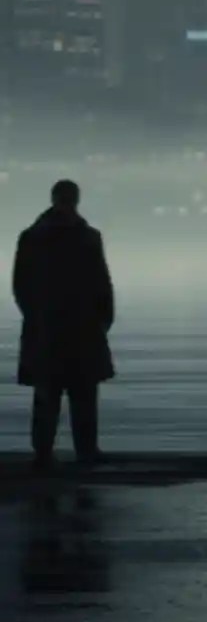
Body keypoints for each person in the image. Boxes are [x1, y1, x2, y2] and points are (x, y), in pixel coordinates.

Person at [12, 180, 115, 470]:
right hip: (78, 327)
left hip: (50, 328)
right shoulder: (87, 237)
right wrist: (104, 319)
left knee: (50, 394)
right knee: (78, 394)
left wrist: (35, 317)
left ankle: (47, 454)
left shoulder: (32, 237)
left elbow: (21, 286)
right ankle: (81, 452)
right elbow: (102, 284)